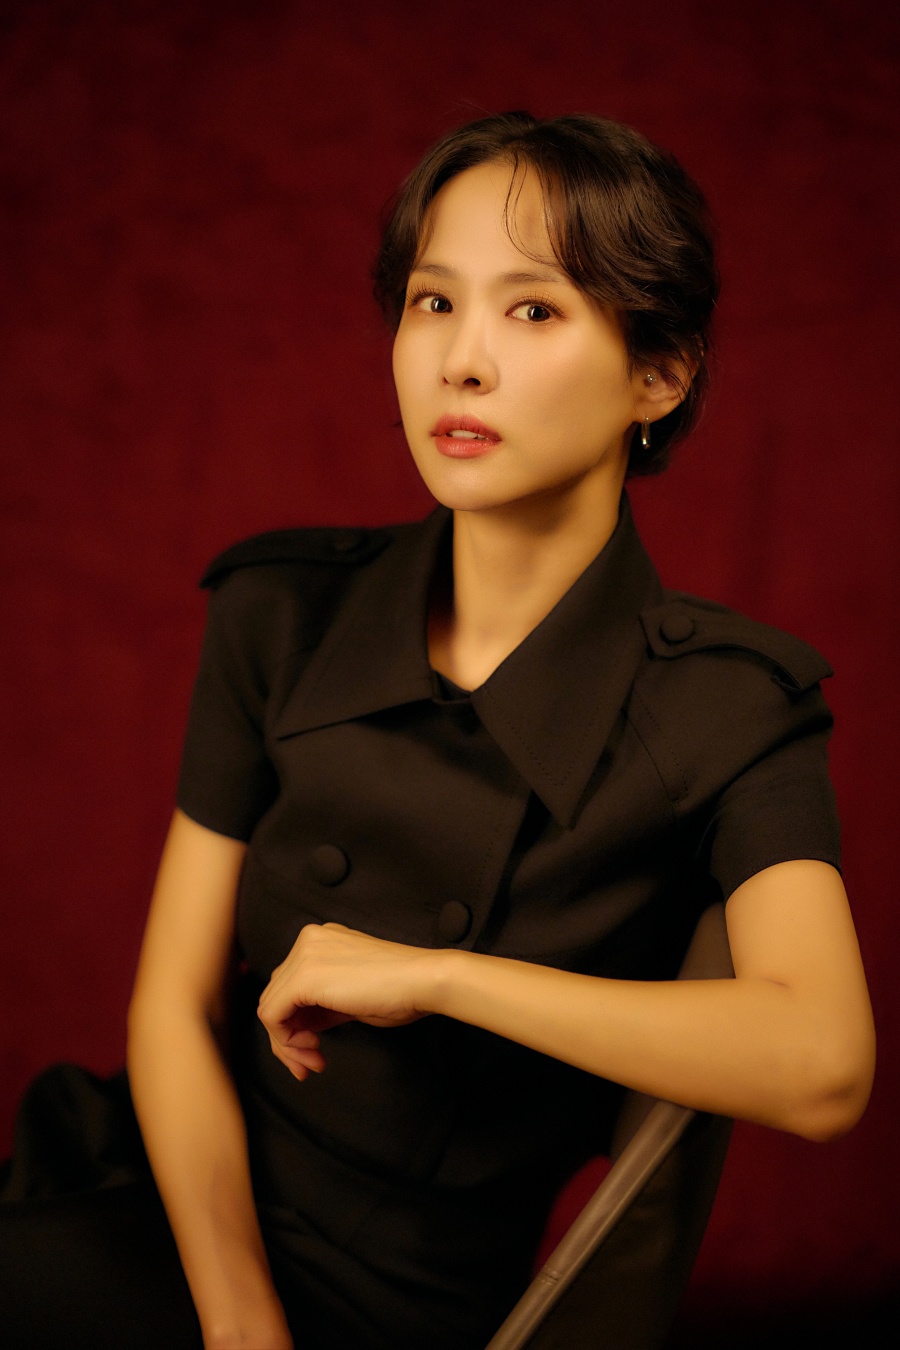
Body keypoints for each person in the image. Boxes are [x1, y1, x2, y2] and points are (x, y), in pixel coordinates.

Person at [0, 111, 875, 1350]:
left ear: (659, 374)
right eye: (431, 302)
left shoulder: (729, 705)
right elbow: (170, 1010)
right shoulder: (281, 611)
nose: (460, 362)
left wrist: (440, 978)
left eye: (534, 309)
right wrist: (240, 1324)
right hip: (174, 1198)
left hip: (398, 1300)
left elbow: (824, 1065)